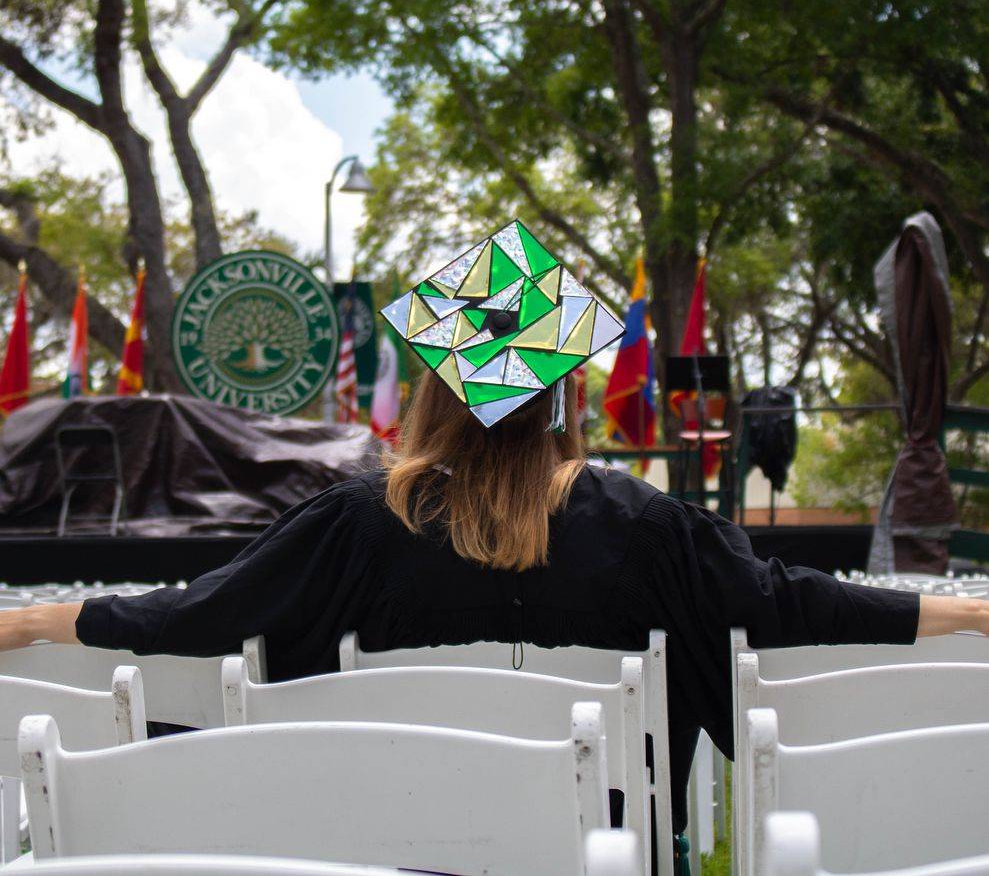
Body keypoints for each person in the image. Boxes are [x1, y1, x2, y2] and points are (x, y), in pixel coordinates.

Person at [0, 225, 985, 853]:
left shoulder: (353, 523)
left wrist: (35, 618)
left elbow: (199, 613)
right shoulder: (642, 525)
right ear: (555, 396)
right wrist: (959, 610)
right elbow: (788, 602)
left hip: (392, 837)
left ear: (432, 388)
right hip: (597, 841)